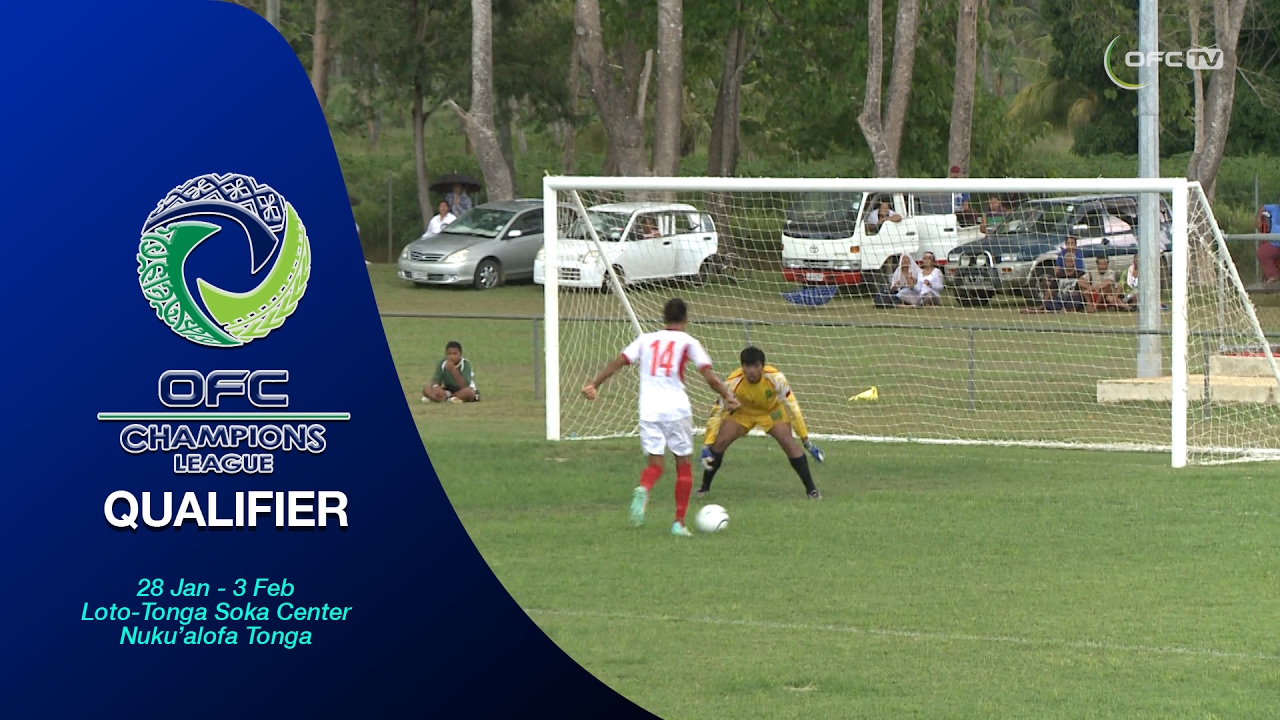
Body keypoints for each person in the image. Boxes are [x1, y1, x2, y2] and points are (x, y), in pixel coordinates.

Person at [582, 298, 740, 537]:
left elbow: (619, 362)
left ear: (663, 318)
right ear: (686, 319)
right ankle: (678, 523)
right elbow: (709, 377)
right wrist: (727, 396)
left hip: (649, 410)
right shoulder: (689, 342)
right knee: (683, 466)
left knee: (655, 465)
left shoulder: (645, 339)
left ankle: (644, 487)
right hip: (676, 410)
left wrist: (594, 384)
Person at [697, 346, 824, 500]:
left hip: (771, 412)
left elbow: (793, 408)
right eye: (747, 366)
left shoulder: (776, 379)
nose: (752, 371)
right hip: (742, 412)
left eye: (756, 366)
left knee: (788, 443)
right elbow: (717, 411)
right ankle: (704, 488)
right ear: (742, 367)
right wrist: (707, 444)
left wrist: (806, 441)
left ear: (762, 366)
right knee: (720, 443)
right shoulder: (732, 382)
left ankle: (811, 490)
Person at [1257, 197, 1280, 284]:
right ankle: (1273, 275)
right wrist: (1258, 218)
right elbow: (1263, 208)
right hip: (1274, 243)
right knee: (1262, 253)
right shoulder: (1274, 208)